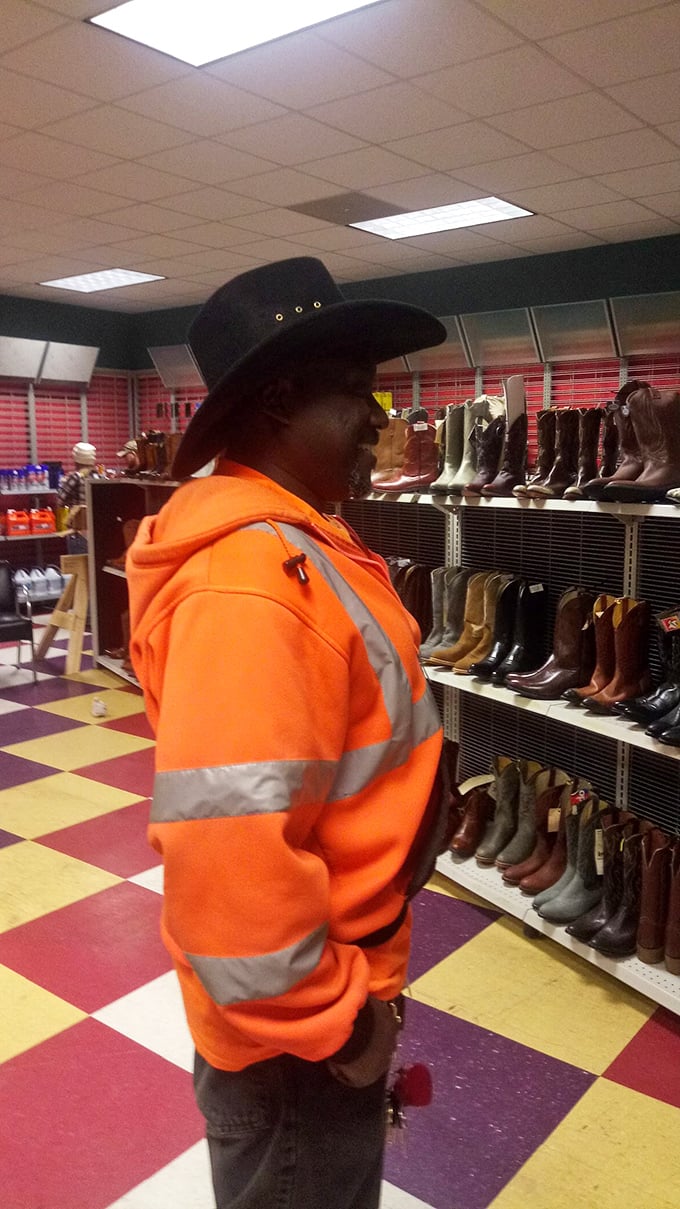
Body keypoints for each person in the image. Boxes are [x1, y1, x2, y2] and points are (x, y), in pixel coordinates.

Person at [126, 257, 449, 1209]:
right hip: (296, 1038)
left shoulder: (301, 548)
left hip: (317, 999)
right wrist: (339, 1025)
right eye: (357, 392)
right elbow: (228, 861)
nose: (382, 421)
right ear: (276, 401)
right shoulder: (254, 585)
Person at [57, 442, 99, 553]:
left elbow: (60, 500)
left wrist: (63, 484)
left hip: (78, 529)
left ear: (76, 459)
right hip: (96, 529)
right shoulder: (97, 476)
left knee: (79, 565)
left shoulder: (75, 477)